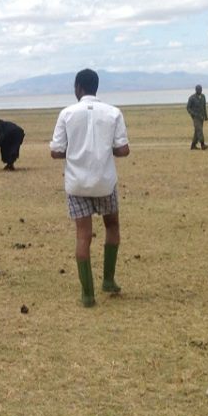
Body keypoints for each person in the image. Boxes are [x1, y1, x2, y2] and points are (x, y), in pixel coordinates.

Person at [50, 69, 130, 307]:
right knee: (112, 225)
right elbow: (124, 149)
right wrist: (105, 150)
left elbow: (55, 151)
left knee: (83, 235)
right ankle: (108, 280)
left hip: (76, 183)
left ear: (78, 88)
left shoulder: (66, 114)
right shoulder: (114, 113)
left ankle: (87, 295)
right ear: (96, 86)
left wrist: (75, 152)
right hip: (105, 182)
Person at [186, 84, 208, 150]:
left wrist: (206, 116)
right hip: (196, 118)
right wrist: (193, 114)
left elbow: (204, 107)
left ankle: (193, 145)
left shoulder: (203, 96)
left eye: (201, 89)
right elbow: (188, 108)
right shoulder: (192, 98)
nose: (200, 91)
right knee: (199, 130)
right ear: (196, 90)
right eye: (199, 89)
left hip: (201, 117)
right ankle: (202, 144)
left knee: (197, 131)